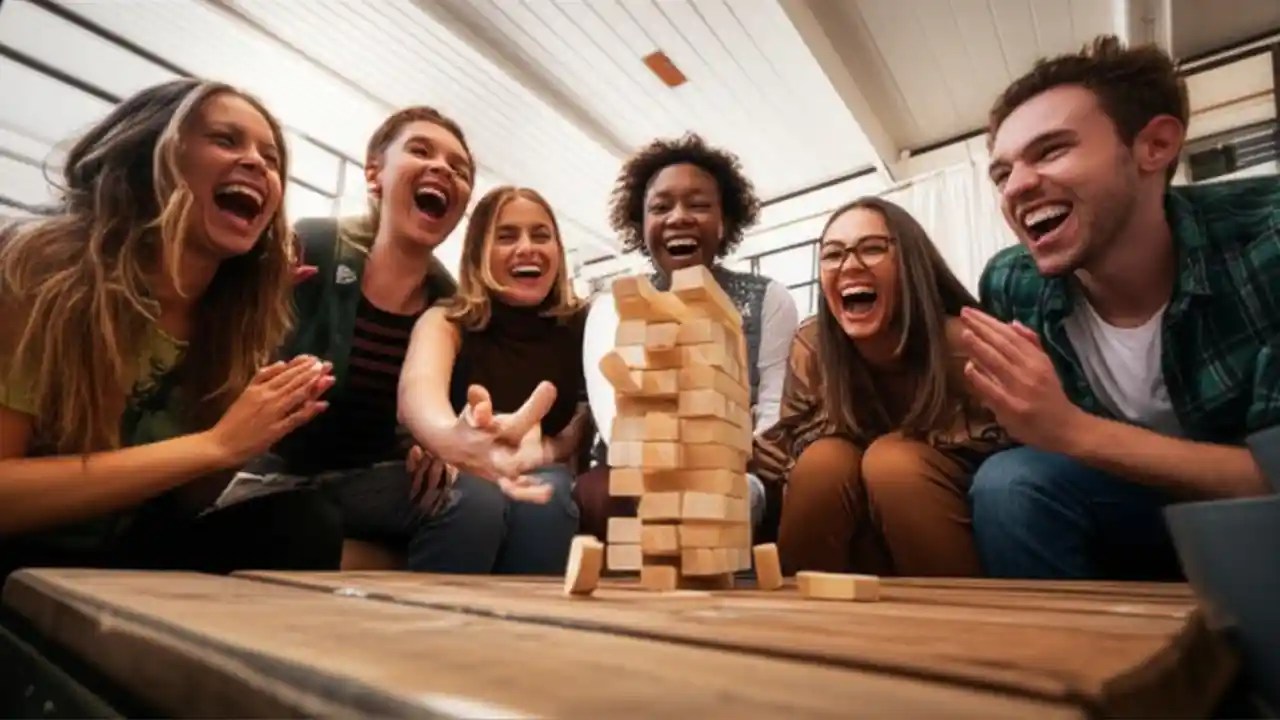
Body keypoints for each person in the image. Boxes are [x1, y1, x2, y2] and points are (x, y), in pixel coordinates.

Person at [965, 35, 1280, 580]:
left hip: (1260, 523)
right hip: (1134, 515)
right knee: (1010, 484)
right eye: (1002, 173)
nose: (1016, 187)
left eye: (1051, 150)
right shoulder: (1011, 282)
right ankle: (1077, 664)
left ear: (1153, 146)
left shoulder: (1267, 247)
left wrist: (1071, 430)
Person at [0, 79, 341, 578]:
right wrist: (218, 444)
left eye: (271, 158)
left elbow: (191, 500)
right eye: (226, 140)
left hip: (124, 547)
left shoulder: (235, 317)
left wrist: (252, 428)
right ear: (150, 156)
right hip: (22, 547)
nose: (257, 163)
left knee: (305, 522)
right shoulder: (39, 274)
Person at [754, 197, 1008, 575]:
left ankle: (955, 624)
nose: (849, 265)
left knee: (893, 461)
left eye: (872, 248)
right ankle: (805, 623)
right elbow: (785, 451)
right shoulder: (813, 345)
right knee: (823, 463)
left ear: (911, 264)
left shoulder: (965, 345)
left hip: (943, 505)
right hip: (858, 528)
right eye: (832, 255)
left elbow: (1019, 454)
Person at [578, 133, 801, 541]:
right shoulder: (611, 304)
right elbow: (614, 421)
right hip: (630, 468)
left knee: (732, 498)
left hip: (737, 466)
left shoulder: (769, 299)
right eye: (660, 207)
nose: (679, 217)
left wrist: (728, 453)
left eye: (698, 205)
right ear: (640, 224)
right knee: (604, 495)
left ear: (725, 221)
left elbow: (773, 409)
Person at [396, 186, 590, 573]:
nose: (526, 248)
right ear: (477, 252)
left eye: (540, 235)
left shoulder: (581, 325)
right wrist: (454, 439)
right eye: (506, 236)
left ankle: (530, 630)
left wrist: (546, 451)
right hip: (460, 469)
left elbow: (586, 418)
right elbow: (417, 393)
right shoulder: (446, 321)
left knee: (546, 499)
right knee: (476, 502)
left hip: (541, 467)